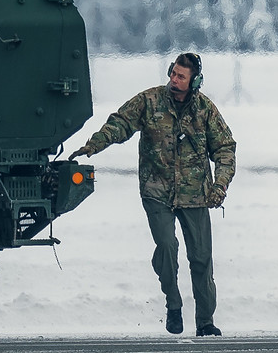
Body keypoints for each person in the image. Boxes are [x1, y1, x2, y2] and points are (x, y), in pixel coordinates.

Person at [74, 51, 236, 337]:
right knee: (166, 247)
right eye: (172, 73)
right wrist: (94, 145)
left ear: (194, 81)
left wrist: (220, 185)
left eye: (181, 76)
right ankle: (173, 302)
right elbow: (120, 123)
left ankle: (205, 322)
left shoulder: (205, 110)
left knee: (201, 258)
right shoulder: (149, 101)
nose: (174, 80)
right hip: (156, 190)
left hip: (195, 193)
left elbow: (225, 149)